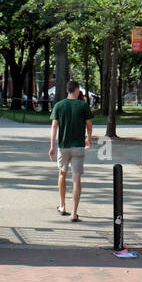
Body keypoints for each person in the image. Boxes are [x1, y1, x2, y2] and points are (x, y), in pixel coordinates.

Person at [49, 79, 93, 222]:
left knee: (62, 174)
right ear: (77, 89)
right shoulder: (83, 106)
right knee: (76, 179)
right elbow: (89, 125)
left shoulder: (59, 106)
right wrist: (89, 138)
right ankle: (74, 212)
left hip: (63, 146)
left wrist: (52, 146)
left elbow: (54, 126)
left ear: (67, 90)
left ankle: (62, 205)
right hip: (78, 146)